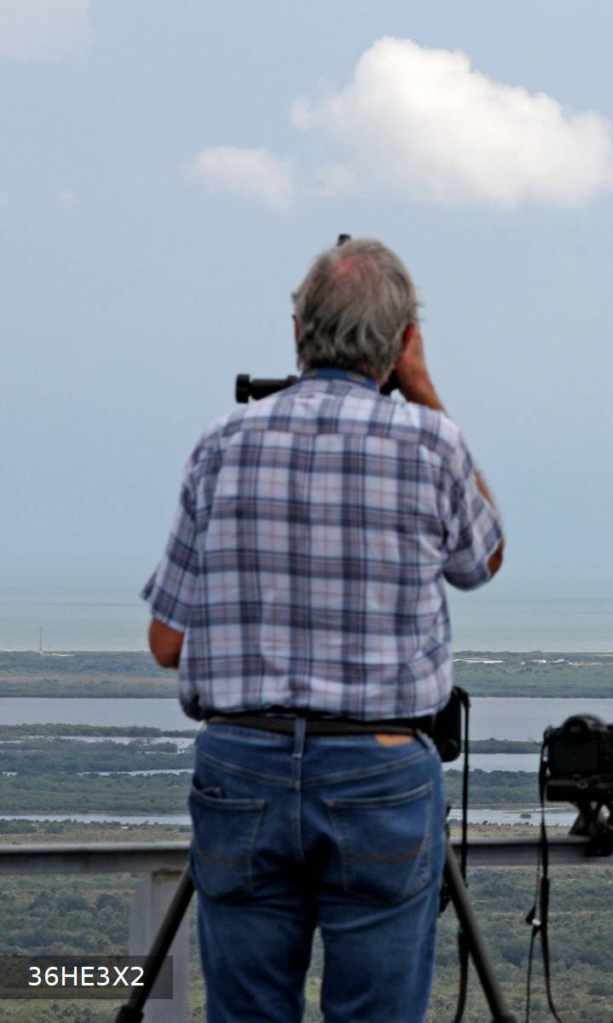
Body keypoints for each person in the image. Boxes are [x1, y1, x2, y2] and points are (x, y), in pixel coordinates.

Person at [142, 237, 505, 1023]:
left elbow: (165, 641)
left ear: (298, 329)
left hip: (241, 771)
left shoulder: (220, 445)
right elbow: (484, 557)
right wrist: (424, 390)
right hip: (380, 775)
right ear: (403, 339)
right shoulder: (431, 445)